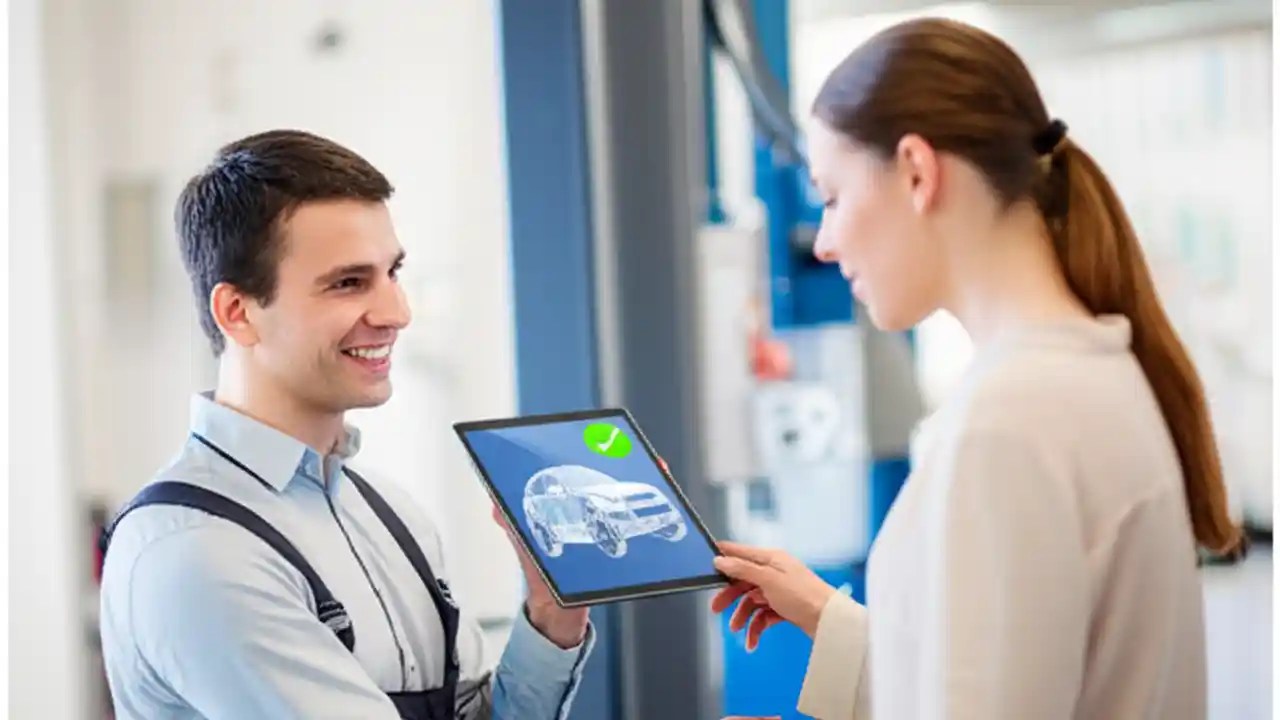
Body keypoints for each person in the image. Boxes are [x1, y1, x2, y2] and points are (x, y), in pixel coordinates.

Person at [713, 17, 1240, 720]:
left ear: (917, 172)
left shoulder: (1007, 425)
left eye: (833, 197)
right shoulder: (1086, 375)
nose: (830, 241)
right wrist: (825, 618)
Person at [98, 129, 595, 719]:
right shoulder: (196, 553)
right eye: (349, 283)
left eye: (393, 273)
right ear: (238, 312)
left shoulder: (390, 513)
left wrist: (552, 608)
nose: (396, 313)